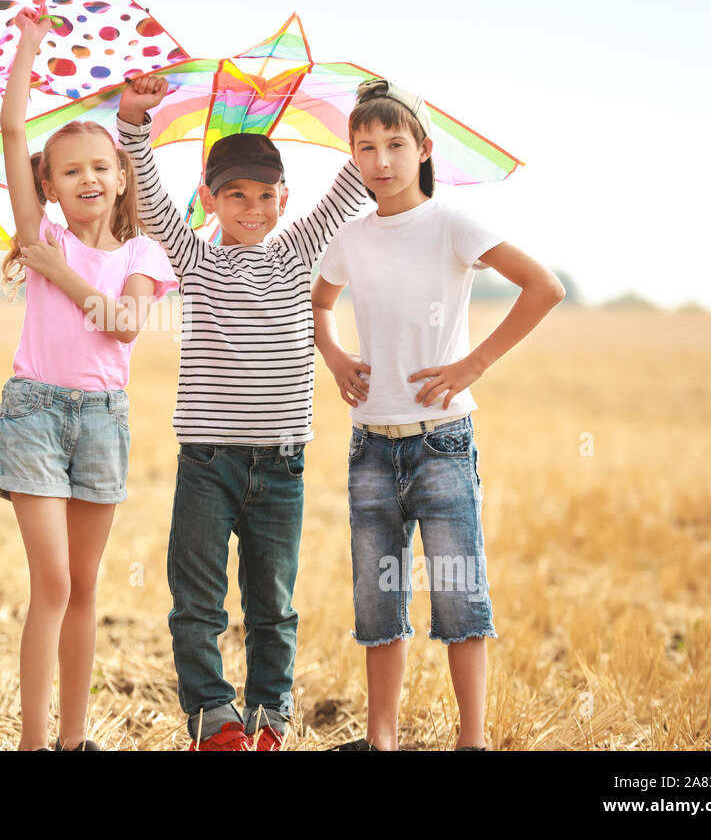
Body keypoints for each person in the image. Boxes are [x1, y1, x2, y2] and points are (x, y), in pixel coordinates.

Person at [116, 74, 370, 750]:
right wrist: (134, 127)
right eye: (236, 196)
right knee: (197, 604)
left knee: (273, 607)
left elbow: (352, 185)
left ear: (284, 202)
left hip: (282, 466)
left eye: (265, 197)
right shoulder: (194, 259)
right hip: (206, 463)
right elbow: (149, 197)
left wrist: (372, 112)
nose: (252, 208)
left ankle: (268, 720)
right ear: (211, 199)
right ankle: (212, 717)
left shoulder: (298, 253)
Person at [313, 79, 564, 751]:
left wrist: (473, 364)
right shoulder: (352, 235)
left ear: (423, 149)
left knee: (460, 599)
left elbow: (545, 287)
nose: (382, 161)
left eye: (396, 145)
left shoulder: (453, 223)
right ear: (353, 156)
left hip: (442, 443)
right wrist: (336, 356)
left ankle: (472, 741)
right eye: (365, 147)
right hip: (370, 445)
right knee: (378, 603)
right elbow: (318, 302)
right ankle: (382, 740)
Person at [0, 9, 177, 751]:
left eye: (100, 166)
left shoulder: (144, 252)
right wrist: (29, 48)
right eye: (70, 172)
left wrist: (61, 274)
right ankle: (34, 744)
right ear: (49, 186)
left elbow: (125, 324)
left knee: (87, 588)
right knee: (55, 585)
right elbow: (13, 131)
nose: (88, 179)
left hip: (103, 419)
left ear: (122, 173)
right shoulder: (42, 232)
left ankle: (75, 741)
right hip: (36, 414)